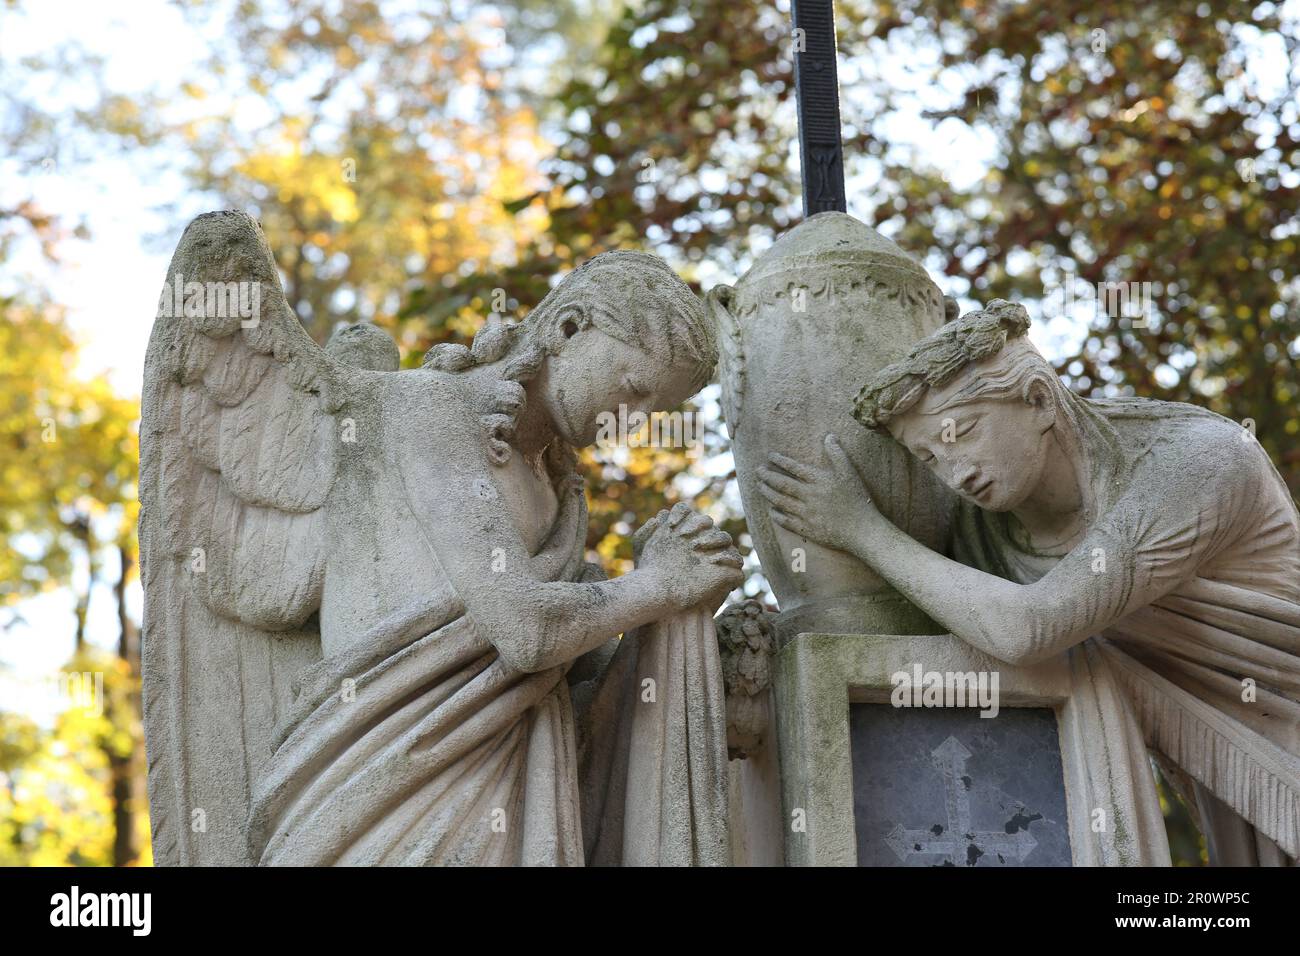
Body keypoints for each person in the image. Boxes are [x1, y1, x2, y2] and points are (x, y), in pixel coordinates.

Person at [758, 299, 1299, 864]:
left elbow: (1028, 628)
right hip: (1229, 777)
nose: (955, 472)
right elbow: (937, 613)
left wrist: (860, 528)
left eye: (961, 432)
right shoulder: (983, 532)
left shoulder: (1198, 462)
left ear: (1039, 399)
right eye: (929, 458)